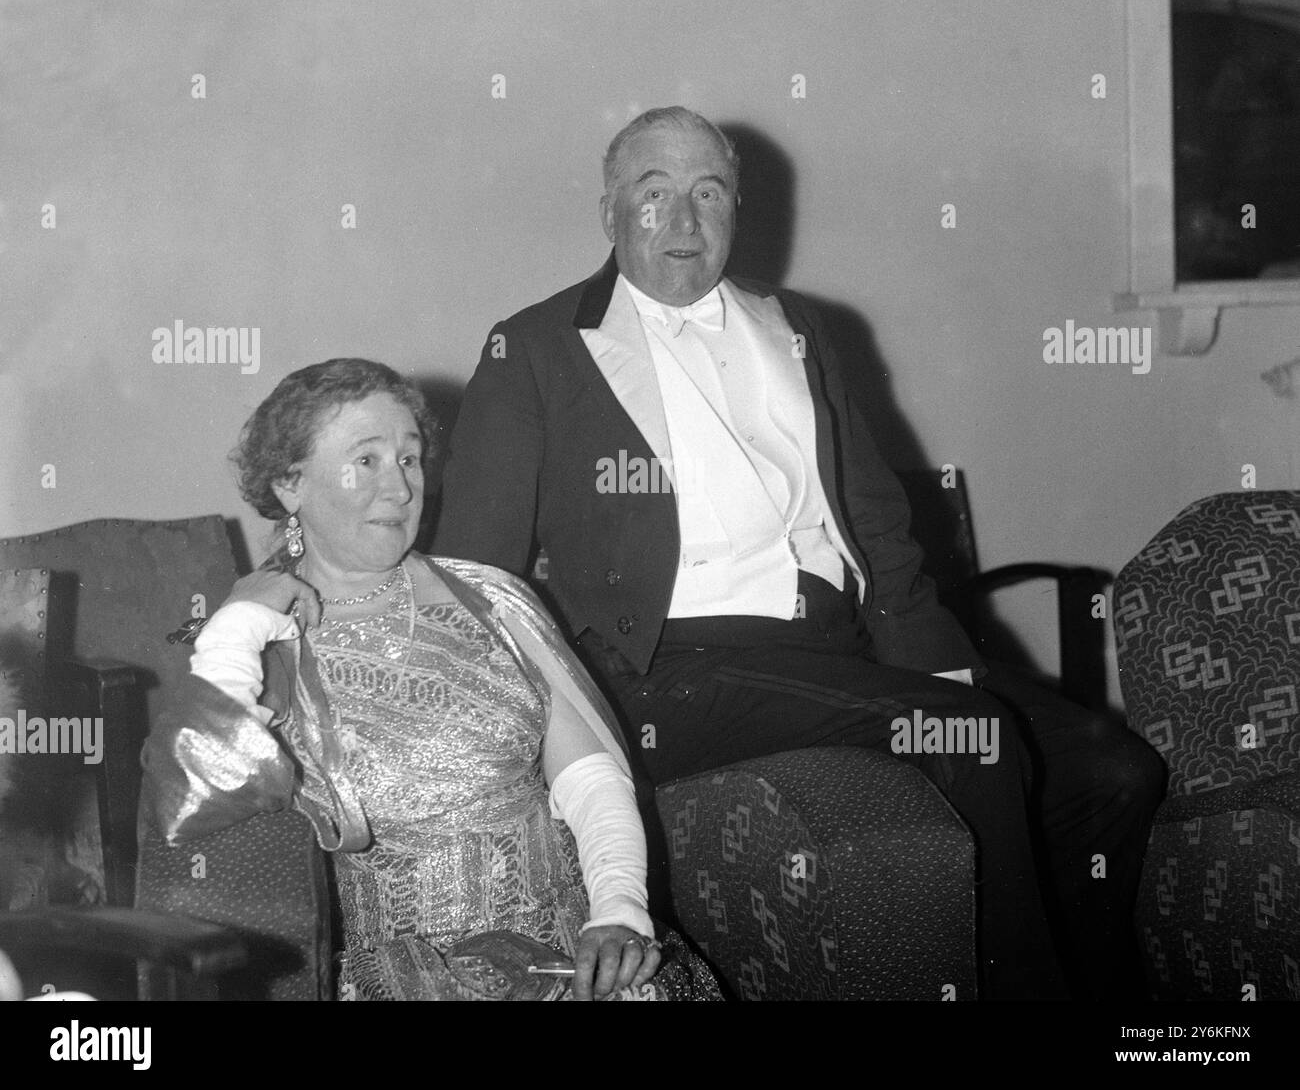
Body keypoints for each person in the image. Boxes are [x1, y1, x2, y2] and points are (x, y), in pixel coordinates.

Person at [434, 106, 1166, 1000]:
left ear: (740, 209)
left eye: (709, 193)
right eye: (653, 194)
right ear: (610, 212)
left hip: (836, 647)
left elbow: (877, 525)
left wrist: (944, 670)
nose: (684, 221)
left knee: (1114, 770)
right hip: (671, 670)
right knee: (974, 744)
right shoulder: (538, 348)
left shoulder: (800, 327)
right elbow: (478, 577)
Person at [142, 358, 720, 1002]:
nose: (400, 489)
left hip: (571, 946)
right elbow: (189, 801)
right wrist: (237, 626)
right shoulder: (264, 640)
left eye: (409, 460)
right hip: (402, 975)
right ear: (288, 483)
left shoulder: (493, 599)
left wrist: (617, 909)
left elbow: (588, 776)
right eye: (366, 461)